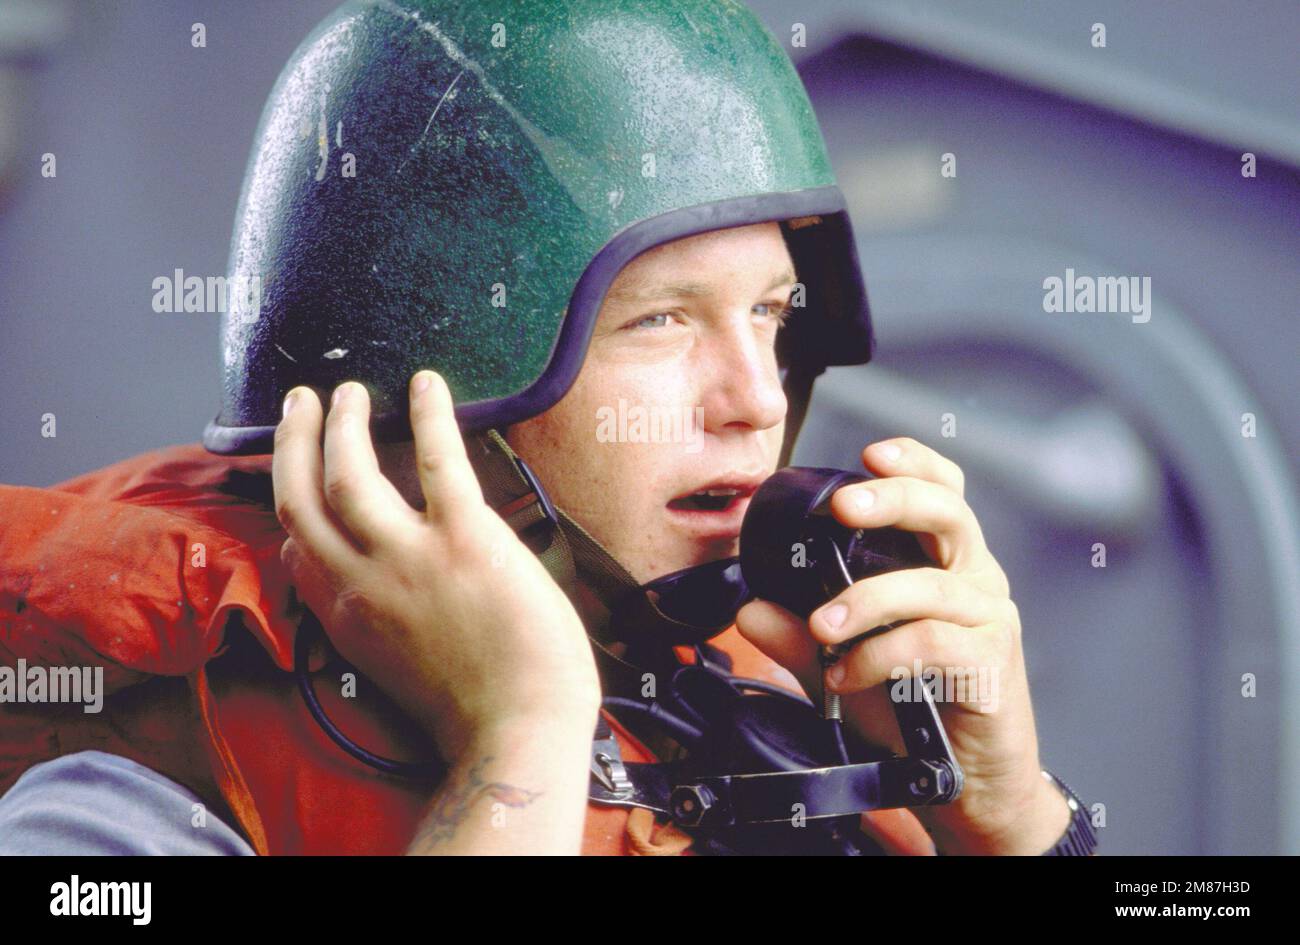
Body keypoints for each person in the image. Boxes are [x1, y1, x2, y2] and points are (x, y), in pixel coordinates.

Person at [0, 0, 1088, 855]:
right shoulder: (120, 804)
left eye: (768, 315)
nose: (755, 396)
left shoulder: (747, 699)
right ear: (418, 393)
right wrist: (519, 741)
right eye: (659, 322)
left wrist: (1005, 819)